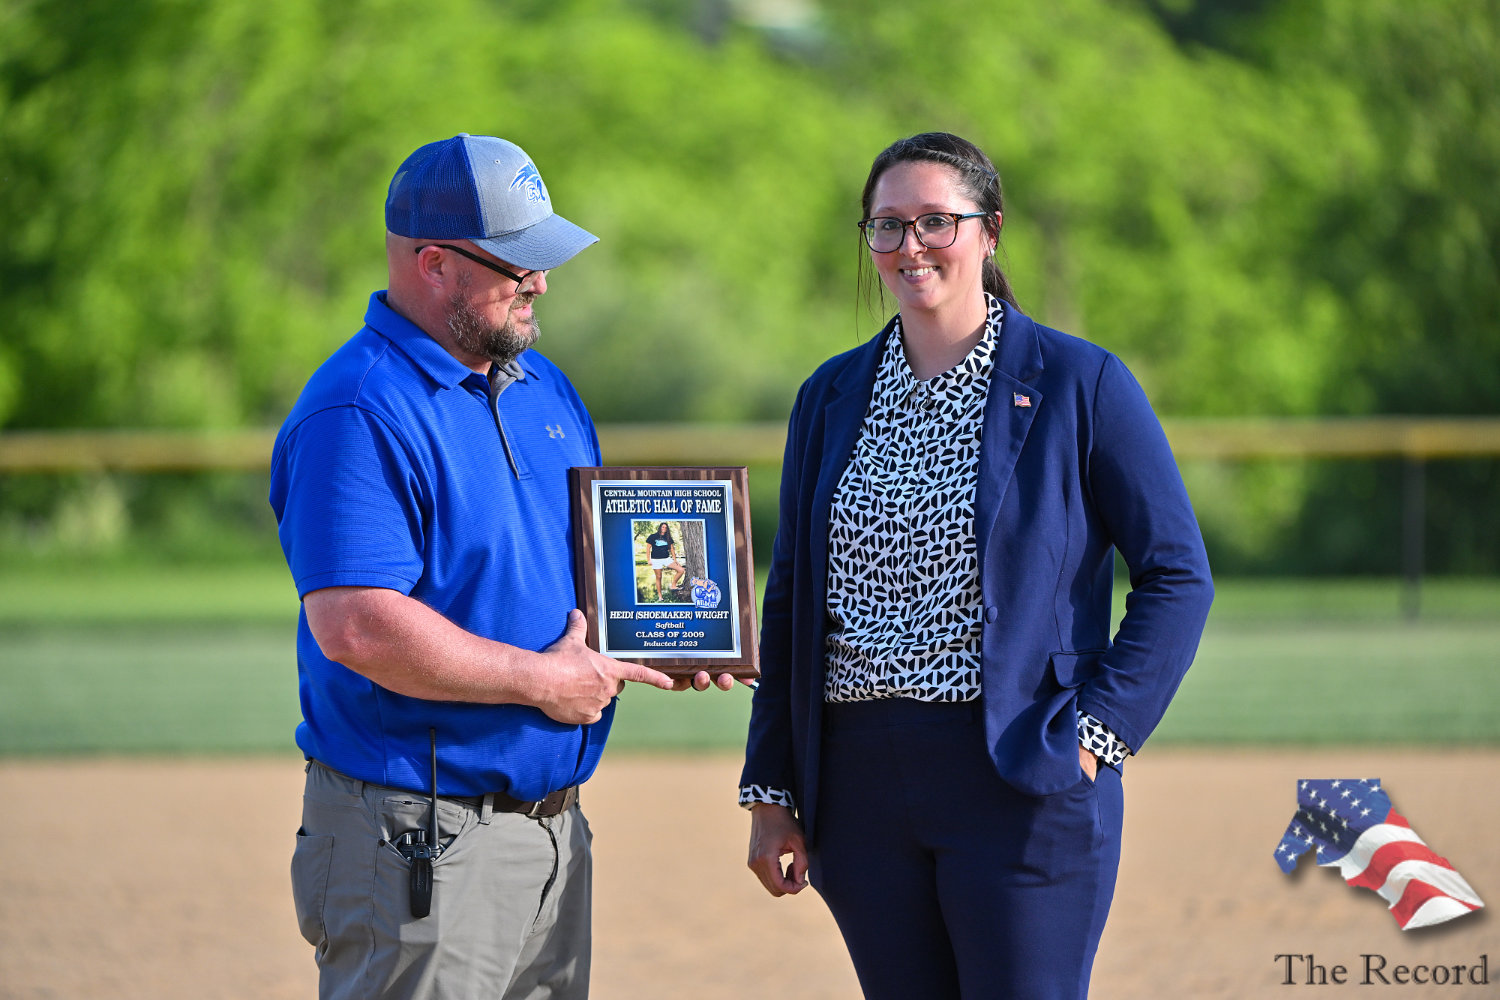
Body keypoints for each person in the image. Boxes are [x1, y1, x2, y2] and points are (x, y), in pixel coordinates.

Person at [739, 132, 1214, 999]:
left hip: (1017, 769)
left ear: (989, 232)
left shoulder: (1080, 381)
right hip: (858, 785)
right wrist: (772, 790)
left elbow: (1178, 573)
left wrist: (1096, 735)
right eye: (886, 226)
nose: (909, 246)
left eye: (935, 222)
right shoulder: (829, 395)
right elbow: (794, 601)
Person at [270, 133, 731, 1000]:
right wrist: (541, 682)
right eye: (517, 265)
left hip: (553, 835)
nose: (542, 282)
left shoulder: (542, 385)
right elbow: (357, 623)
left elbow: (585, 566)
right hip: (419, 835)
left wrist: (673, 633)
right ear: (435, 264)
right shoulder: (357, 407)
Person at [645, 522, 687, 600]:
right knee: (659, 577)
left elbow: (672, 549)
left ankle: (673, 585)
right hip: (656, 559)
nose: (664, 528)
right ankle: (660, 596)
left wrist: (675, 560)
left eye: (665, 527)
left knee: (681, 570)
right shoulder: (653, 536)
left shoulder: (668, 538)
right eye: (662, 527)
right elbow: (648, 548)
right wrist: (648, 560)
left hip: (666, 558)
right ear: (660, 527)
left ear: (667, 529)